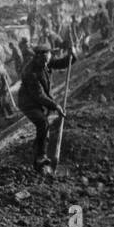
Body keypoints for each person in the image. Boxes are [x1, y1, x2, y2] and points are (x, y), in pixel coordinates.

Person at [18, 41, 76, 170]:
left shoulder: (45, 60)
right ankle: (40, 157)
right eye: (43, 62)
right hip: (28, 102)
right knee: (42, 122)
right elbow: (39, 95)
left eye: (47, 61)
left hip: (40, 100)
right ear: (36, 57)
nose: (46, 64)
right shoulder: (30, 72)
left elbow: (61, 63)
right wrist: (56, 106)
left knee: (44, 128)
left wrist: (71, 55)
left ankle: (38, 152)